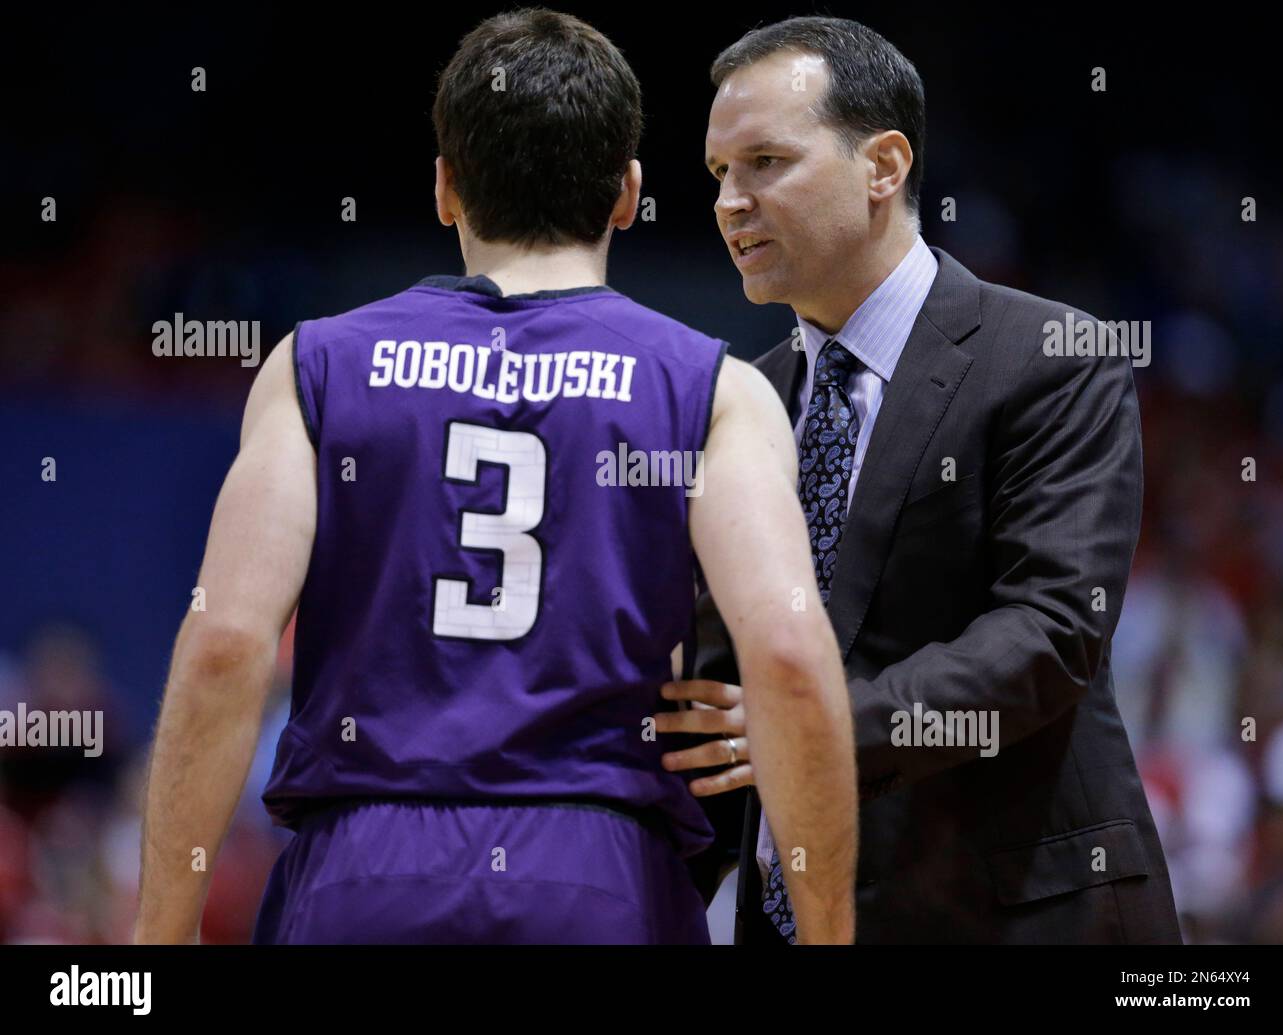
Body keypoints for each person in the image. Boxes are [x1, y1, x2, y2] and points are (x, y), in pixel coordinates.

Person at [133, 8, 857, 946]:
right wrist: (831, 932)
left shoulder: (316, 365)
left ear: (444, 187)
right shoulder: (714, 390)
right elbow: (793, 664)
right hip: (601, 879)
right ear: (629, 193)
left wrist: (156, 937)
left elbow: (227, 643)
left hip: (362, 874)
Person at [660, 16, 1181, 944]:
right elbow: (720, 711)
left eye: (765, 162)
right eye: (717, 174)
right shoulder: (739, 402)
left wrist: (814, 729)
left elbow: (1052, 631)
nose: (729, 201)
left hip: (1014, 913)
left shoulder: (1055, 356)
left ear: (884, 166)